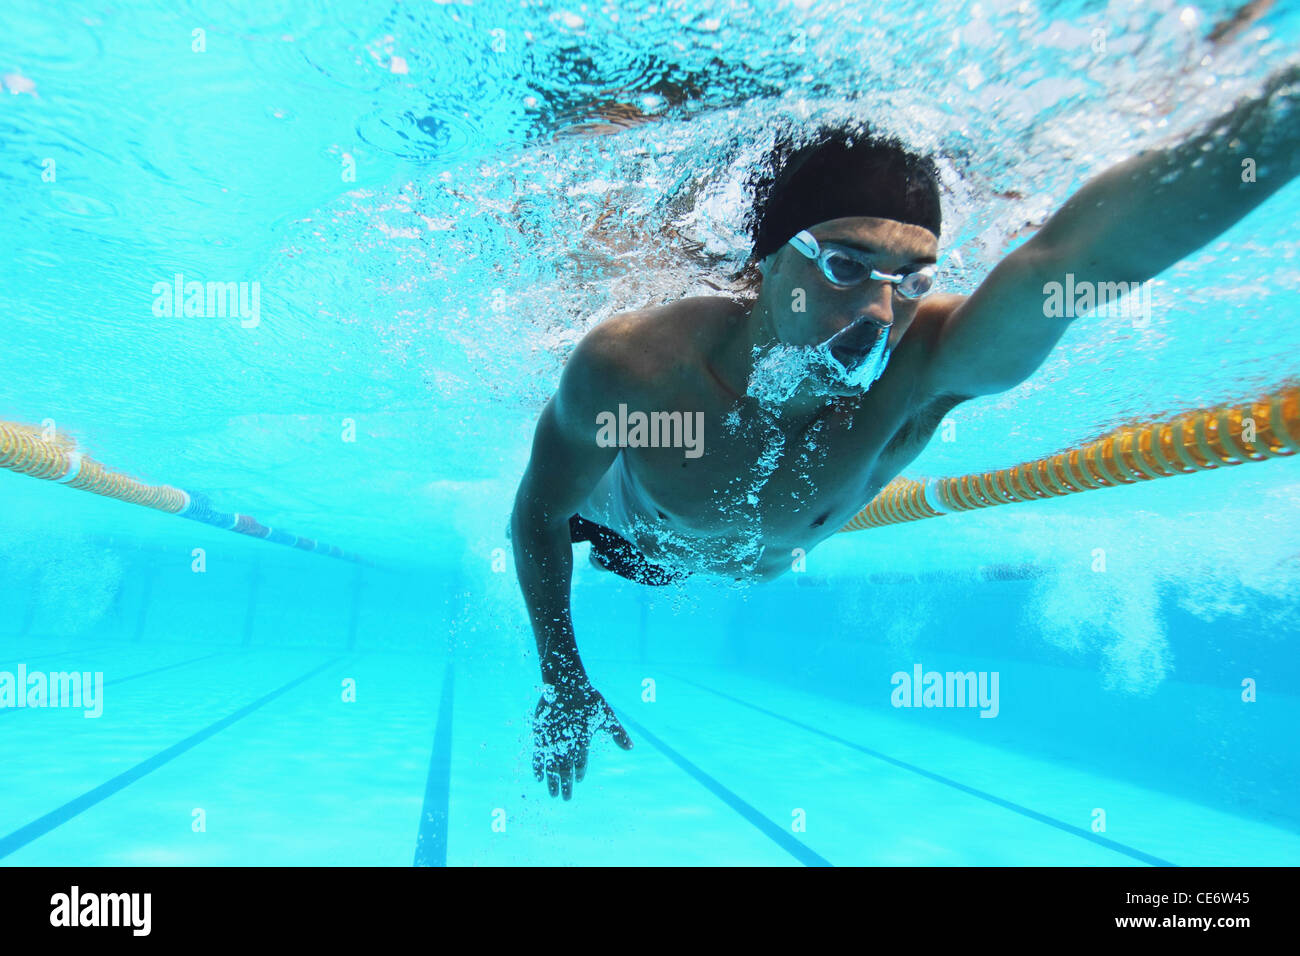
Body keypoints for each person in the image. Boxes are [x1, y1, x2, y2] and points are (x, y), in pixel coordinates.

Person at [511, 64, 1300, 800]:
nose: (880, 317)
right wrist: (562, 674)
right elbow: (541, 514)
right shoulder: (639, 370)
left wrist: (1285, 118)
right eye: (846, 269)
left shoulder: (924, 369)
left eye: (914, 280)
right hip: (626, 536)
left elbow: (1080, 256)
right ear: (769, 262)